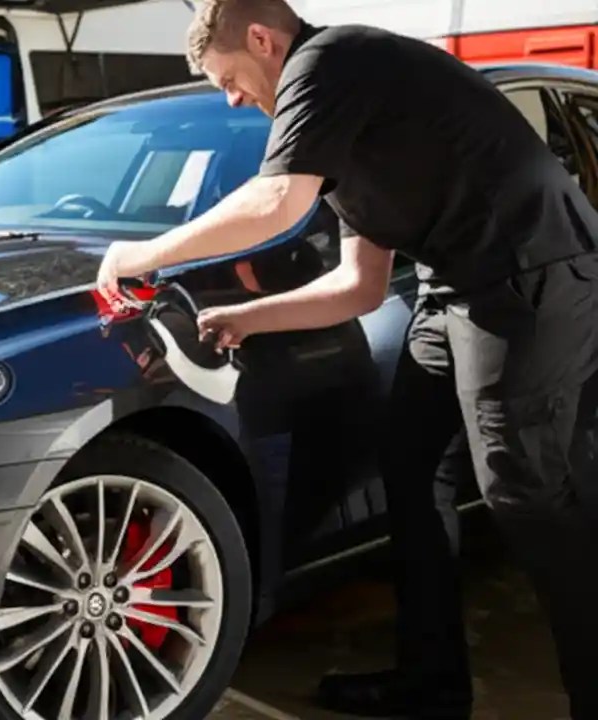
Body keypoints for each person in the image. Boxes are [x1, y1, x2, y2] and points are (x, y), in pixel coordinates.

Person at [94, 0, 598, 717]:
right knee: (411, 467)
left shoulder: (329, 60)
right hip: (451, 287)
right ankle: (431, 685)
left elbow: (275, 202)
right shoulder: (344, 130)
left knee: (527, 490)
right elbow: (359, 287)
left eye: (228, 80)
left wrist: (143, 254)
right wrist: (248, 318)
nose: (231, 99)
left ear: (262, 40)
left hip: (528, 273)